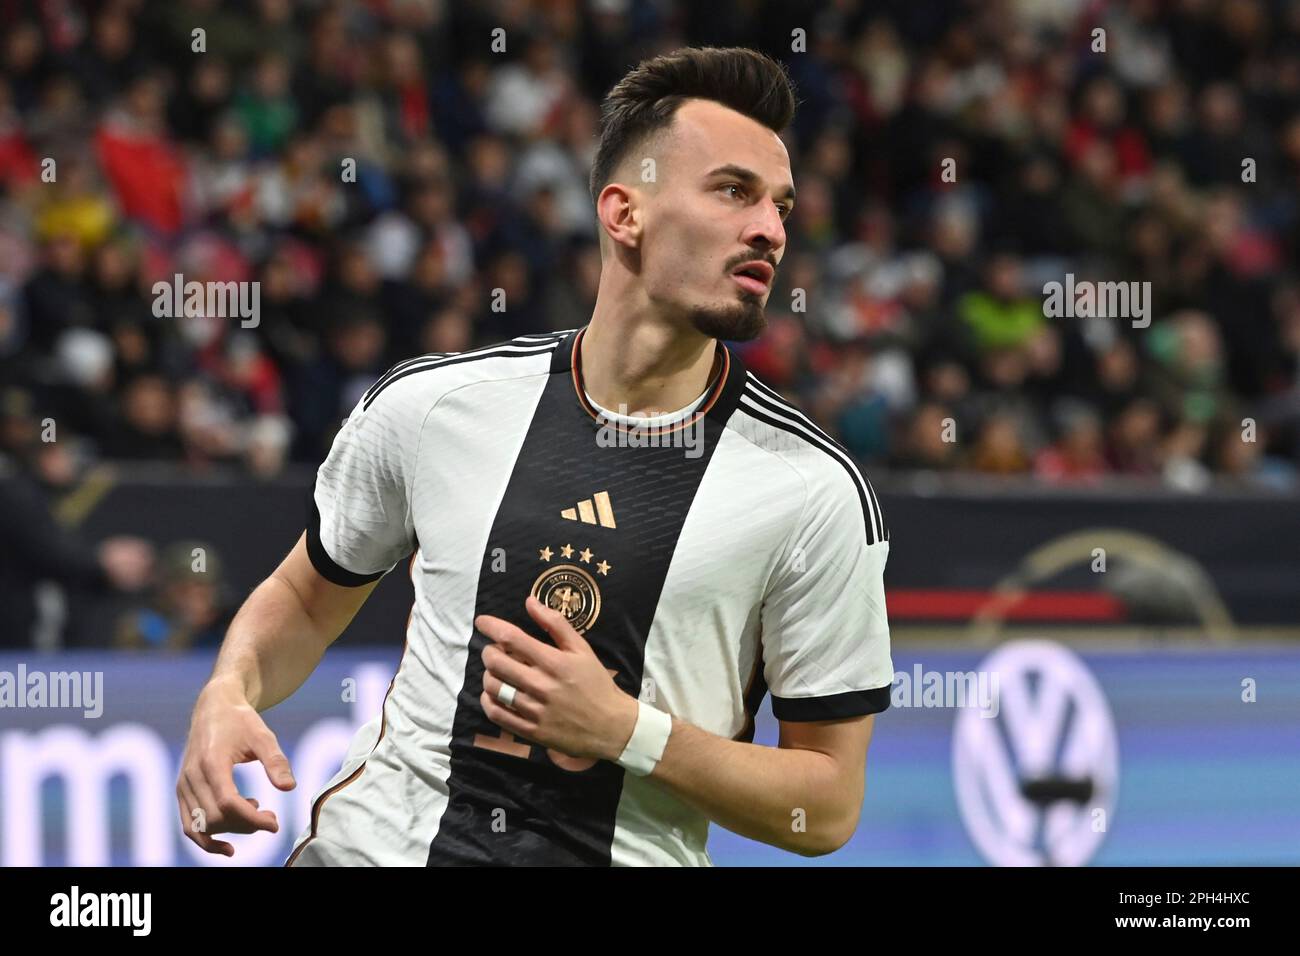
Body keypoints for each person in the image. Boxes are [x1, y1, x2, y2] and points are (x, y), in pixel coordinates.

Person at [177, 47, 894, 867]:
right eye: (733, 191)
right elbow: (308, 599)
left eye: (781, 206)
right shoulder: (437, 407)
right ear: (625, 213)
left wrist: (629, 732)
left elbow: (828, 806)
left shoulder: (812, 491)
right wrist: (226, 691)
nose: (769, 227)